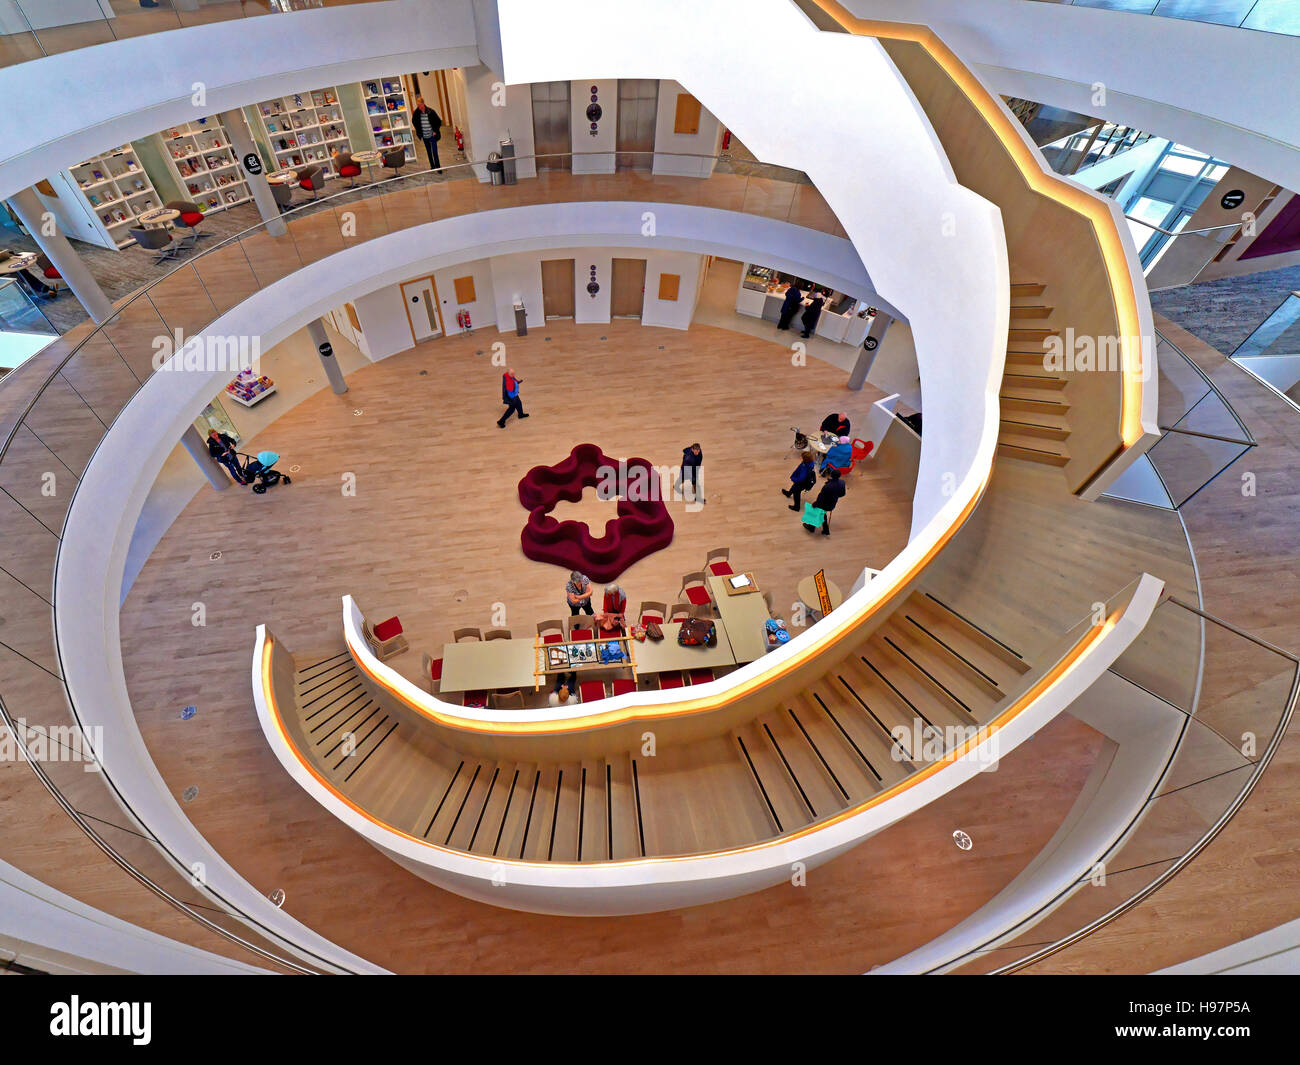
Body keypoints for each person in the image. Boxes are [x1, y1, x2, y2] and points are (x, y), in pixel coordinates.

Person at [806, 467, 847, 536]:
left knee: (817, 513)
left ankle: (812, 528)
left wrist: (815, 504)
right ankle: (825, 530)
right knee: (822, 514)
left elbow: (821, 498)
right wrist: (835, 496)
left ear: (831, 475)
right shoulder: (842, 483)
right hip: (832, 504)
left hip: (824, 504)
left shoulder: (828, 486)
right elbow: (842, 494)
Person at [412, 95, 443, 171]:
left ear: (423, 103)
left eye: (420, 105)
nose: (419, 107)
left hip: (432, 136)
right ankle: (432, 166)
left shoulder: (431, 111)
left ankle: (438, 167)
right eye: (417, 105)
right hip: (425, 136)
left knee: (434, 152)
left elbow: (439, 121)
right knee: (429, 152)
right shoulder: (416, 113)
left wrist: (435, 131)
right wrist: (419, 131)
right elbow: (414, 121)